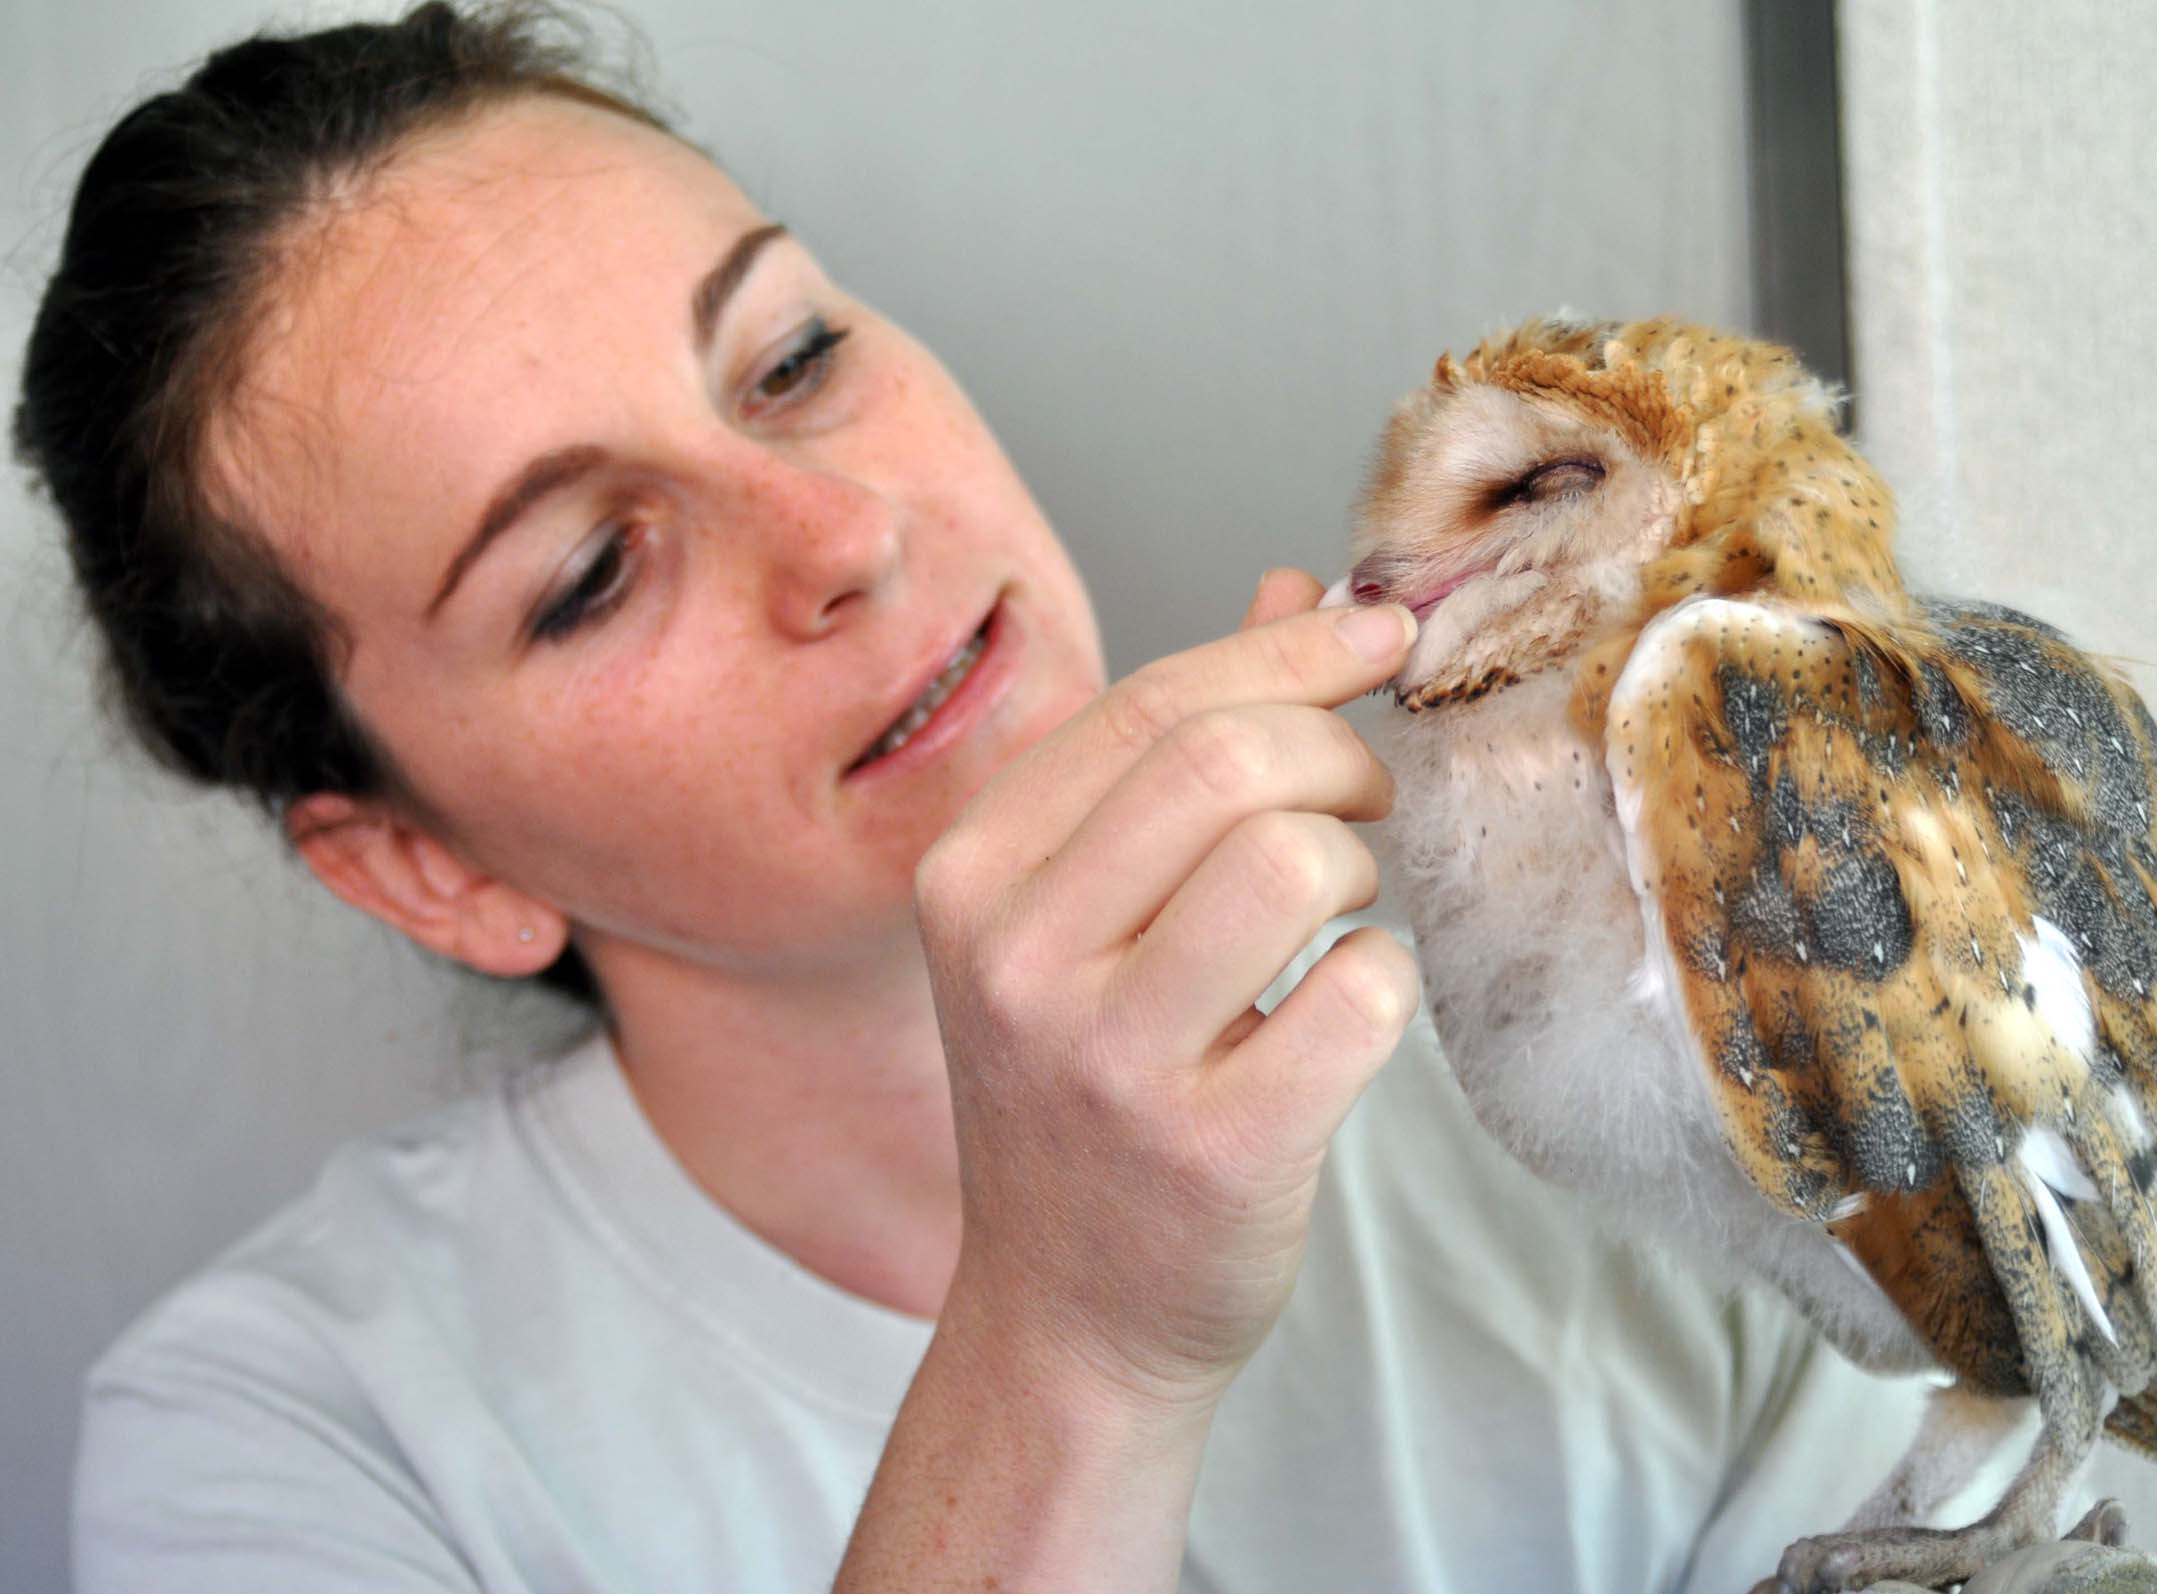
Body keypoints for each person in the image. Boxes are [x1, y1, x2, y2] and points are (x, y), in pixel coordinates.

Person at [17, 5, 1968, 1590]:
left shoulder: (1635, 1068)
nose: (843, 530)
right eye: (591, 572)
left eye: (790, 357)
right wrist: (1074, 1340)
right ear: (430, 869)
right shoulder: (287, 1451)